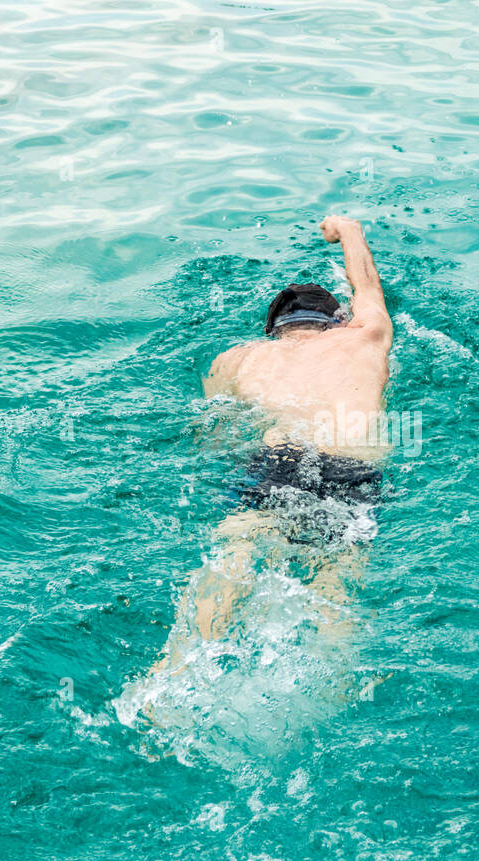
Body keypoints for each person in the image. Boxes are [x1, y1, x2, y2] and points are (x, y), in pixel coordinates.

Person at [159, 215, 394, 677]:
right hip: (354, 470)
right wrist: (347, 230)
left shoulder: (238, 359)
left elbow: (217, 433)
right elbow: (365, 283)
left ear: (275, 329)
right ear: (338, 319)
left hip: (279, 462)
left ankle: (175, 671)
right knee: (337, 579)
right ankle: (331, 683)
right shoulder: (367, 337)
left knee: (235, 557)